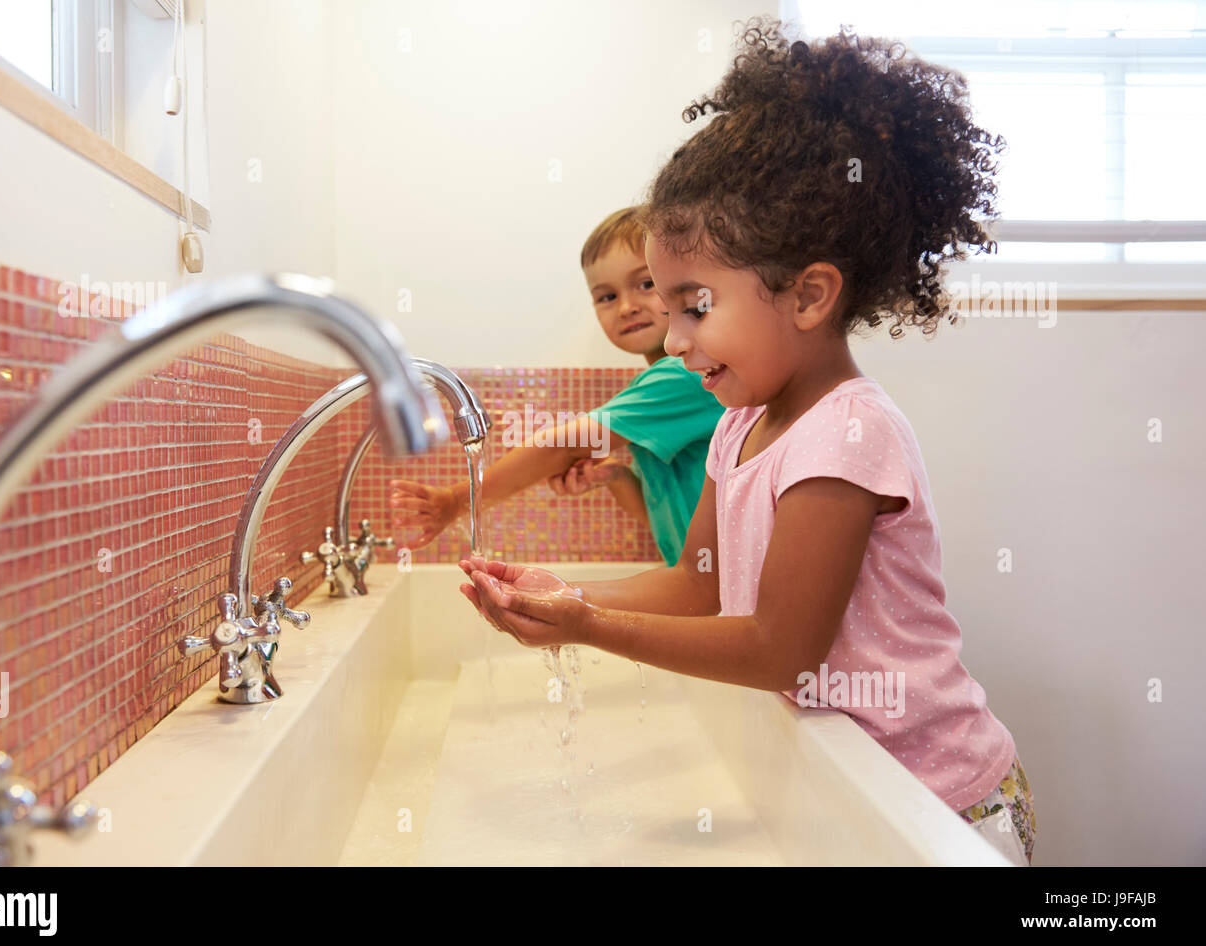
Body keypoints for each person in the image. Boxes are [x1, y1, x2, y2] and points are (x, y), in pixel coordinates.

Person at [459, 20, 1036, 864]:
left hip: (941, 807)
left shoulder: (847, 434)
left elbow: (779, 649)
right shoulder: (737, 425)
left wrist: (585, 625)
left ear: (807, 295)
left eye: (696, 304)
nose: (675, 333)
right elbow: (699, 588)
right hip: (853, 791)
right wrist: (564, 591)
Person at [390, 207, 723, 566]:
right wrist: (617, 476)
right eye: (607, 296)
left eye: (646, 284)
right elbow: (665, 525)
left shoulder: (684, 376)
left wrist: (455, 501)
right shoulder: (673, 382)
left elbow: (561, 448)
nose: (626, 307)